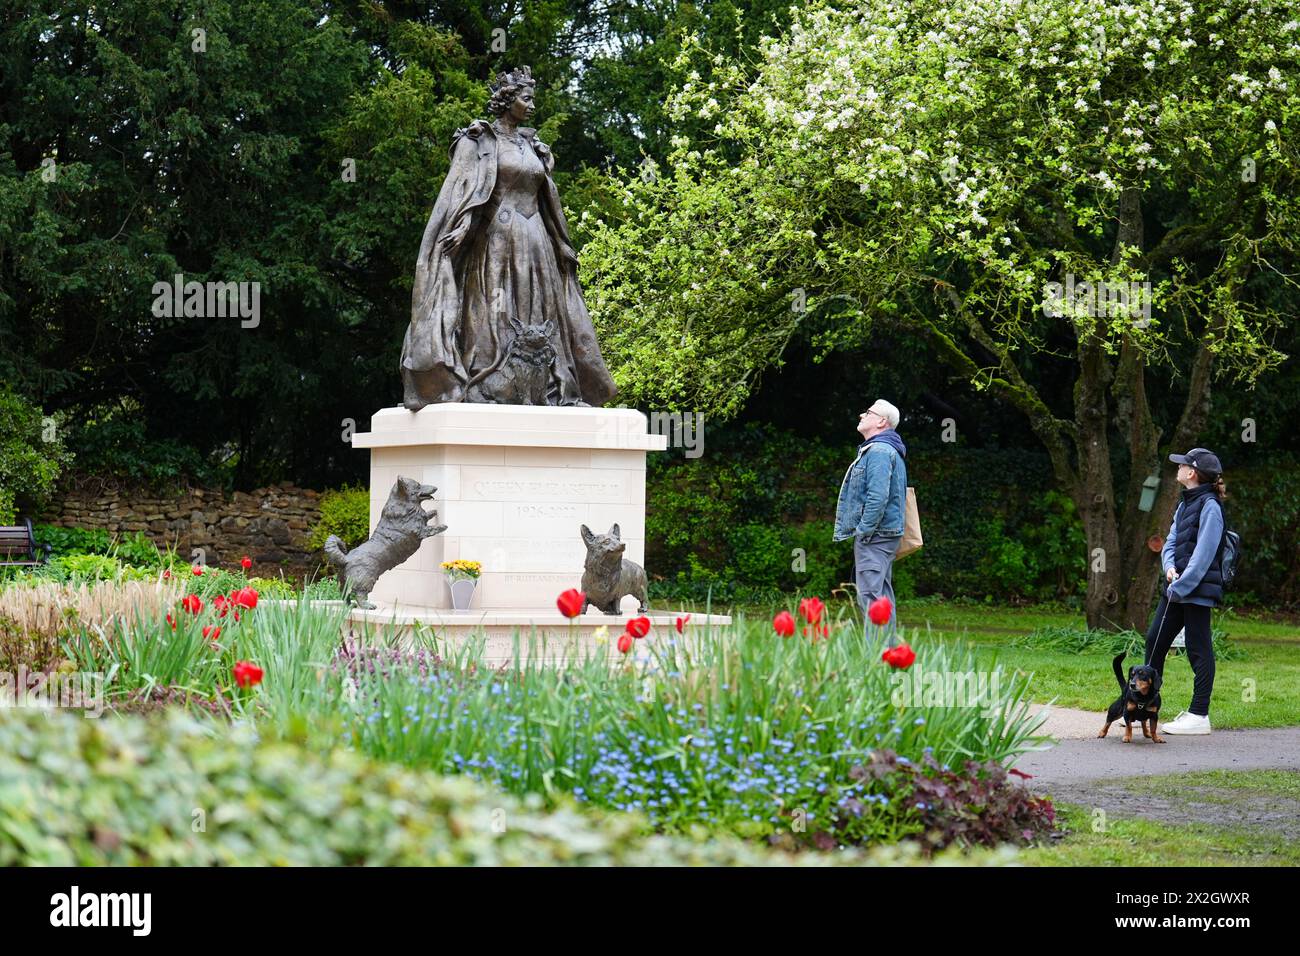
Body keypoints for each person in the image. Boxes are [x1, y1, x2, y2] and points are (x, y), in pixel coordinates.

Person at [400, 66, 617, 410]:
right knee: (494, 309)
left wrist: (561, 241)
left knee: (543, 308)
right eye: (526, 98)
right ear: (507, 101)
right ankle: (489, 381)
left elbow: (546, 198)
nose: (532, 105)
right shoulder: (480, 141)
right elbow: (460, 190)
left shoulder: (533, 145)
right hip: (498, 237)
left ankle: (547, 384)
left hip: (537, 239)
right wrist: (461, 224)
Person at [1145, 447, 1228, 735]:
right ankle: (1146, 706)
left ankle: (1199, 715)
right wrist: (1169, 569)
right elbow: (1170, 542)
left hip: (1195, 590)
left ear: (1192, 473)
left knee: (1198, 648)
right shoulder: (1185, 504)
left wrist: (1180, 585)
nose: (1177, 468)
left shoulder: (1211, 507)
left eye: (1182, 465)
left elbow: (1203, 556)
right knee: (1155, 641)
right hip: (1177, 588)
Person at [833, 399, 907, 644]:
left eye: (868, 412)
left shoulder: (879, 451)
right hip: (883, 534)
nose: (861, 415)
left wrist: (864, 530)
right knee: (881, 596)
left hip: (876, 535)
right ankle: (889, 653)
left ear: (881, 421)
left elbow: (878, 496)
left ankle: (875, 657)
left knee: (871, 597)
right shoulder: (885, 449)